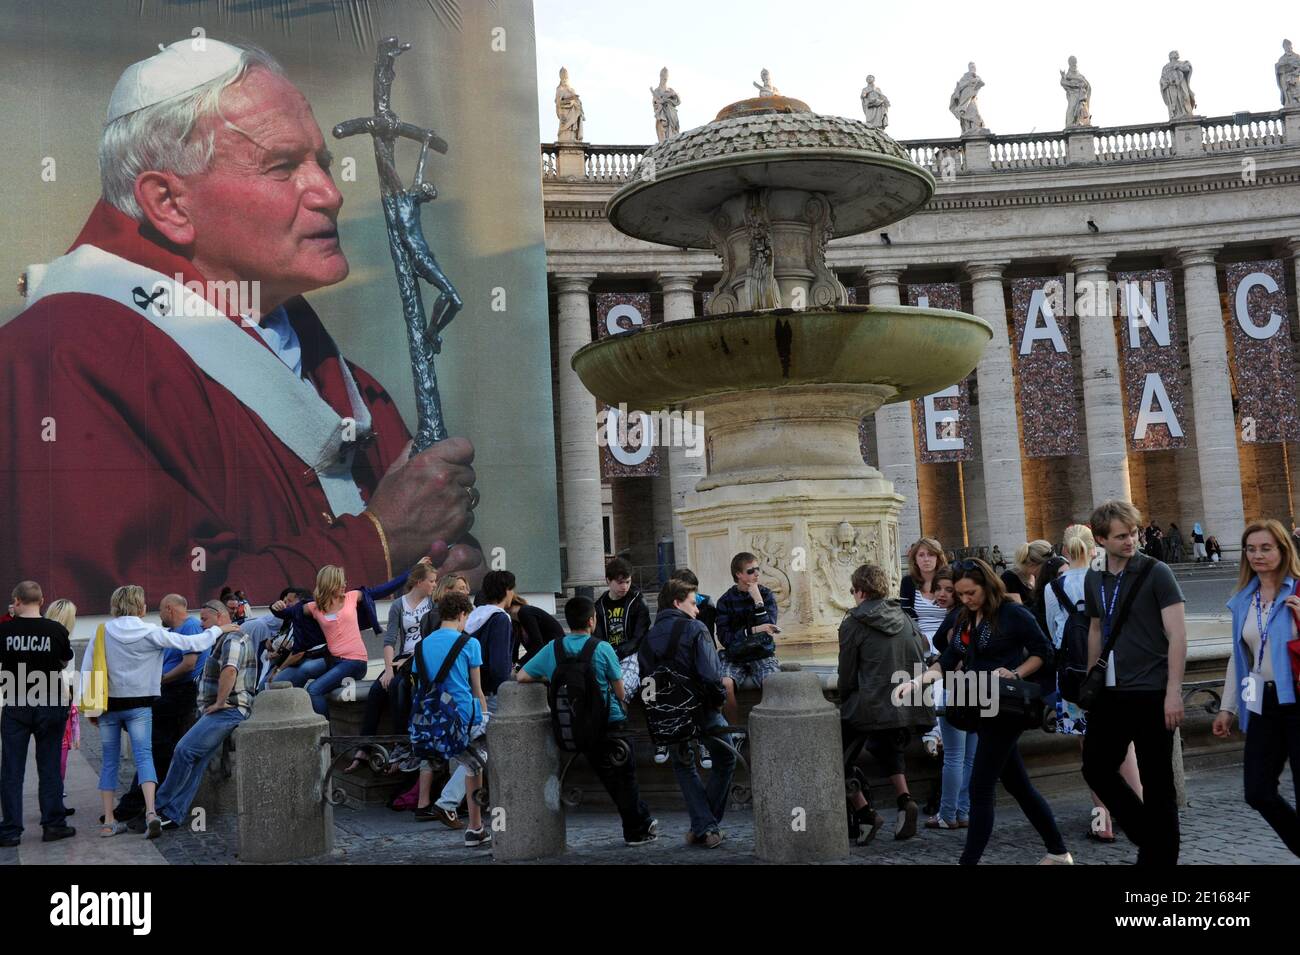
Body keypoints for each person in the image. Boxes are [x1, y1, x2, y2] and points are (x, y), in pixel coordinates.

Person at [0, 38, 486, 612]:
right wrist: (377, 544)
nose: (331, 194)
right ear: (169, 204)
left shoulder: (331, 368)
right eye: (283, 167)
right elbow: (128, 618)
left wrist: (444, 571)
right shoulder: (62, 357)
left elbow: (416, 540)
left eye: (323, 164)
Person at [896, 559, 1072, 864]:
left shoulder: (1012, 613)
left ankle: (969, 861)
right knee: (1019, 786)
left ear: (987, 585)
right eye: (960, 594)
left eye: (970, 593)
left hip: (1006, 711)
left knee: (980, 787)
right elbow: (949, 658)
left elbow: (1044, 653)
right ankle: (1058, 851)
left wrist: (1016, 672)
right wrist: (917, 681)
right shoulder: (965, 618)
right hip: (981, 707)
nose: (965, 599)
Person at [1080, 500, 1187, 866]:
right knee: (1094, 766)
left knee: (1159, 784)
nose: (1131, 541)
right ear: (1100, 539)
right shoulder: (1094, 577)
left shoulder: (1157, 572)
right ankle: (1149, 837)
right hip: (1110, 691)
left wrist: (1174, 691)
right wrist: (1090, 677)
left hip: (1152, 690)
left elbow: (1178, 635)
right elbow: (1095, 627)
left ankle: (1161, 857)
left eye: (1134, 533)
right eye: (1122, 536)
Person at [82, 585, 228, 838]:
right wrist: (218, 629)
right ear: (140, 606)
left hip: (109, 707)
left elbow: (87, 670)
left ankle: (109, 820)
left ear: (115, 605)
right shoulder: (150, 631)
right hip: (140, 706)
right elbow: (192, 643)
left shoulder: (102, 631)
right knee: (145, 757)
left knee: (109, 762)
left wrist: (90, 710)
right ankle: (151, 812)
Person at [519, 596, 658, 845]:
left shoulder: (554, 648)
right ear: (592, 621)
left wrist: (549, 678)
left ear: (568, 622)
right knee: (626, 777)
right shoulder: (602, 648)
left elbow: (522, 676)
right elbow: (620, 691)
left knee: (609, 777)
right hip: (611, 722)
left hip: (578, 725)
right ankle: (637, 828)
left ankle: (641, 822)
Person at [1042, 524, 1141, 843]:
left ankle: (1103, 821)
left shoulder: (1053, 588)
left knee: (1090, 751)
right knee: (1125, 746)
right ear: (1094, 547)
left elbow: (1053, 633)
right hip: (1113, 672)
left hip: (1074, 677)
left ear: (1066, 551)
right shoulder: (1110, 582)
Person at [1214, 519, 1300, 856]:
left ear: (1282, 550)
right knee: (1258, 790)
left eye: (1266, 548)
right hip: (1263, 701)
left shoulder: (1298, 592)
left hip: (1296, 699)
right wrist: (1227, 707)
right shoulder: (1243, 600)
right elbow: (1240, 658)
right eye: (1251, 549)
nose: (1257, 555)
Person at [839, 563, 933, 842]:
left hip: (869, 705)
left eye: (853, 591)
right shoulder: (905, 618)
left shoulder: (854, 622)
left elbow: (846, 675)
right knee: (886, 744)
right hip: (904, 702)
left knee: (834, 757)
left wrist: (846, 699)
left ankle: (866, 814)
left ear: (860, 591)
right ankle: (905, 800)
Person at [639, 579, 734, 848]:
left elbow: (647, 682)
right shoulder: (696, 628)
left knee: (683, 765)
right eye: (693, 603)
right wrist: (718, 702)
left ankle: (702, 827)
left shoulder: (648, 636)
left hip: (667, 714)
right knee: (726, 759)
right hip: (701, 709)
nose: (697, 609)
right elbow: (711, 675)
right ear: (677, 603)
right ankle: (706, 825)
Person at [155, 600, 258, 835]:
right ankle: (173, 814)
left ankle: (158, 806)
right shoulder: (223, 639)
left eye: (204, 619)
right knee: (198, 761)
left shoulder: (232, 639)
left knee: (184, 750)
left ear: (220, 617)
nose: (201, 625)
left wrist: (220, 703)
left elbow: (230, 670)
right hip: (225, 709)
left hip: (228, 710)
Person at [113, 594, 210, 827]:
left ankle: (140, 804)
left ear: (169, 608)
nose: (159, 616)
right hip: (167, 693)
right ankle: (137, 803)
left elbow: (189, 664)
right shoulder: (175, 631)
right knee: (154, 748)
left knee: (158, 749)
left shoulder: (191, 626)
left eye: (160, 611)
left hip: (176, 695)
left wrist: (161, 680)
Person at [270, 564, 415, 716]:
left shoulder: (352, 597)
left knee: (313, 690)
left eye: (345, 581)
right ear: (329, 583)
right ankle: (284, 709)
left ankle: (327, 734)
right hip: (334, 660)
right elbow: (286, 613)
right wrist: (274, 607)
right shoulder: (314, 607)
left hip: (355, 662)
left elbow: (384, 589)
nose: (345, 584)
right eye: (341, 581)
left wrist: (411, 571)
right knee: (304, 670)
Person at [411, 591, 491, 847]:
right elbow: (476, 688)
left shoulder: (421, 646)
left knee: (468, 764)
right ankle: (475, 827)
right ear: (461, 614)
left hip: (432, 718)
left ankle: (459, 814)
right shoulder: (470, 644)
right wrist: (484, 715)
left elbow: (420, 684)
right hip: (464, 715)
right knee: (476, 765)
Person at [0, 581, 75, 847]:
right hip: (50, 703)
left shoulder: (5, 630)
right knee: (49, 765)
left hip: (16, 701)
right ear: (42, 601)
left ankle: (10, 830)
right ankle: (53, 825)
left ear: (16, 601)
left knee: (11, 769)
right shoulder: (56, 630)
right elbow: (64, 660)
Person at [345, 562, 437, 773]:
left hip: (422, 656)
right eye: (431, 581)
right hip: (402, 657)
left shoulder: (433, 603)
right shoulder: (399, 604)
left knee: (398, 685)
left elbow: (432, 638)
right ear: (418, 581)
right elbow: (390, 640)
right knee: (378, 688)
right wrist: (387, 668)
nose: (434, 585)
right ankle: (365, 746)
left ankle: (401, 744)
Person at [926, 568, 976, 830]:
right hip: (977, 686)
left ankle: (947, 813)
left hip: (956, 687)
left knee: (955, 756)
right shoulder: (970, 615)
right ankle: (963, 811)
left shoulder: (956, 618)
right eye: (939, 588)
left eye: (949, 589)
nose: (943, 594)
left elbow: (956, 656)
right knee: (968, 757)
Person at [715, 552, 780, 725]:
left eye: (757, 569)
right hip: (735, 656)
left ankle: (771, 729)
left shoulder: (765, 595)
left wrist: (758, 601)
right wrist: (752, 631)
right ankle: (735, 731)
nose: (757, 574)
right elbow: (725, 638)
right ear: (739, 574)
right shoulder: (725, 601)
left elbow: (768, 631)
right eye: (751, 571)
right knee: (725, 684)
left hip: (762, 654)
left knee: (773, 684)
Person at [899, 537, 950, 758]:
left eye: (930, 554)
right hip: (920, 640)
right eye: (921, 555)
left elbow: (957, 614)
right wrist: (921, 640)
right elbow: (906, 617)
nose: (926, 559)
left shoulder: (949, 580)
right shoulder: (908, 583)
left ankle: (933, 734)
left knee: (936, 680)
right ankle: (935, 733)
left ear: (938, 558)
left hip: (947, 638)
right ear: (915, 559)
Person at [593, 557, 651, 699]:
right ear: (608, 580)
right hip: (607, 655)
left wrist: (619, 652)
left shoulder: (637, 601)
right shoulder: (599, 606)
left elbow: (639, 637)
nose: (624, 586)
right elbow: (597, 638)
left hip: (632, 654)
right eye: (620, 582)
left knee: (620, 690)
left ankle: (619, 720)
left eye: (628, 582)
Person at [44, 599, 80, 818]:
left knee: (48, 753)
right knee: (59, 754)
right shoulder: (64, 643)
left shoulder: (42, 638)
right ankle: (54, 799)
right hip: (58, 705)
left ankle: (52, 797)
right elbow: (65, 680)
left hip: (34, 702)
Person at [512, 596, 565, 668]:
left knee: (521, 676)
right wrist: (513, 664)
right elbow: (515, 647)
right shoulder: (515, 622)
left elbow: (538, 645)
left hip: (555, 656)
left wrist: (518, 665)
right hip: (543, 657)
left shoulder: (525, 613)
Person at [1002, 540, 1051, 606]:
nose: (1047, 570)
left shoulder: (1038, 576)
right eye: (1045, 566)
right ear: (1032, 564)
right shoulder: (1009, 578)